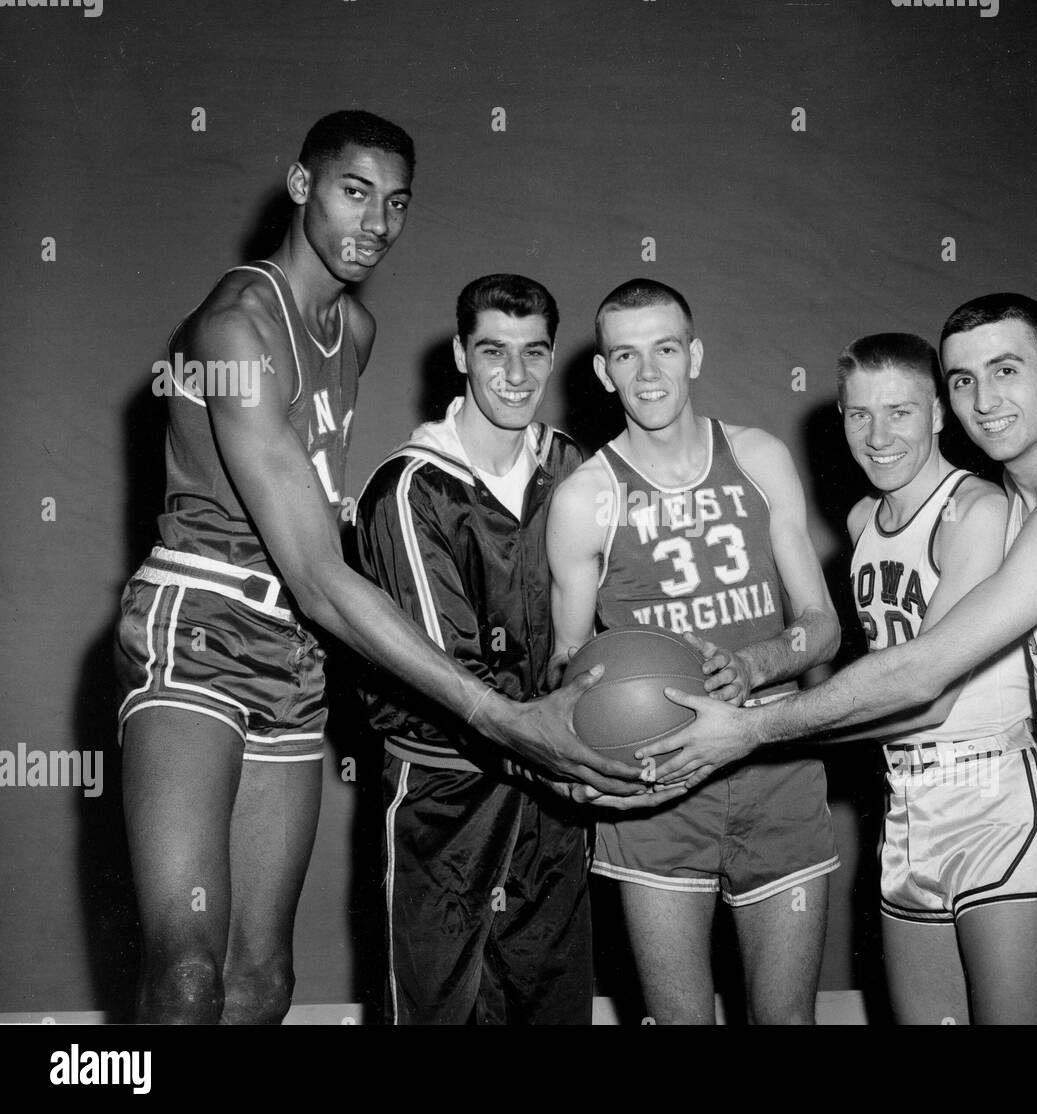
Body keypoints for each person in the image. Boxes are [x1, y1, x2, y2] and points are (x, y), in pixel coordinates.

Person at [115, 114, 642, 1025]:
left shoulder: (353, 328)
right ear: (299, 185)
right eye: (353, 190)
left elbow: (314, 533)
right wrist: (504, 717)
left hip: (293, 647)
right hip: (197, 625)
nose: (376, 221)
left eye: (396, 202)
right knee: (191, 973)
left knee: (261, 983)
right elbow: (318, 568)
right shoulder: (238, 326)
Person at [646, 293, 1037, 1024]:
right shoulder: (1014, 499)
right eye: (965, 378)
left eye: (1006, 370)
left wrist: (751, 728)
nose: (984, 398)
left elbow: (924, 674)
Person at [354, 274, 682, 1025]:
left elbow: (629, 611)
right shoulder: (408, 490)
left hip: (556, 793)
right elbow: (450, 683)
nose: (515, 374)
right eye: (493, 351)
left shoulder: (577, 469)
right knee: (440, 1012)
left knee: (551, 1007)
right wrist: (567, 750)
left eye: (534, 353)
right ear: (462, 357)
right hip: (447, 796)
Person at [547, 278, 841, 1025]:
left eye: (666, 349)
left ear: (695, 354)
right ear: (603, 372)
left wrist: (754, 665)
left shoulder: (758, 457)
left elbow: (822, 625)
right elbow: (565, 665)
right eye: (627, 354)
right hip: (658, 787)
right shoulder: (586, 498)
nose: (648, 373)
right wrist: (581, 768)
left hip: (775, 763)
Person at [837, 332, 1037, 1024]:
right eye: (858, 415)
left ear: (938, 413)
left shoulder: (975, 510)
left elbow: (928, 695)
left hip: (993, 803)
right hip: (908, 806)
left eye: (900, 412)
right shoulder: (860, 520)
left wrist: (764, 732)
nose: (878, 436)